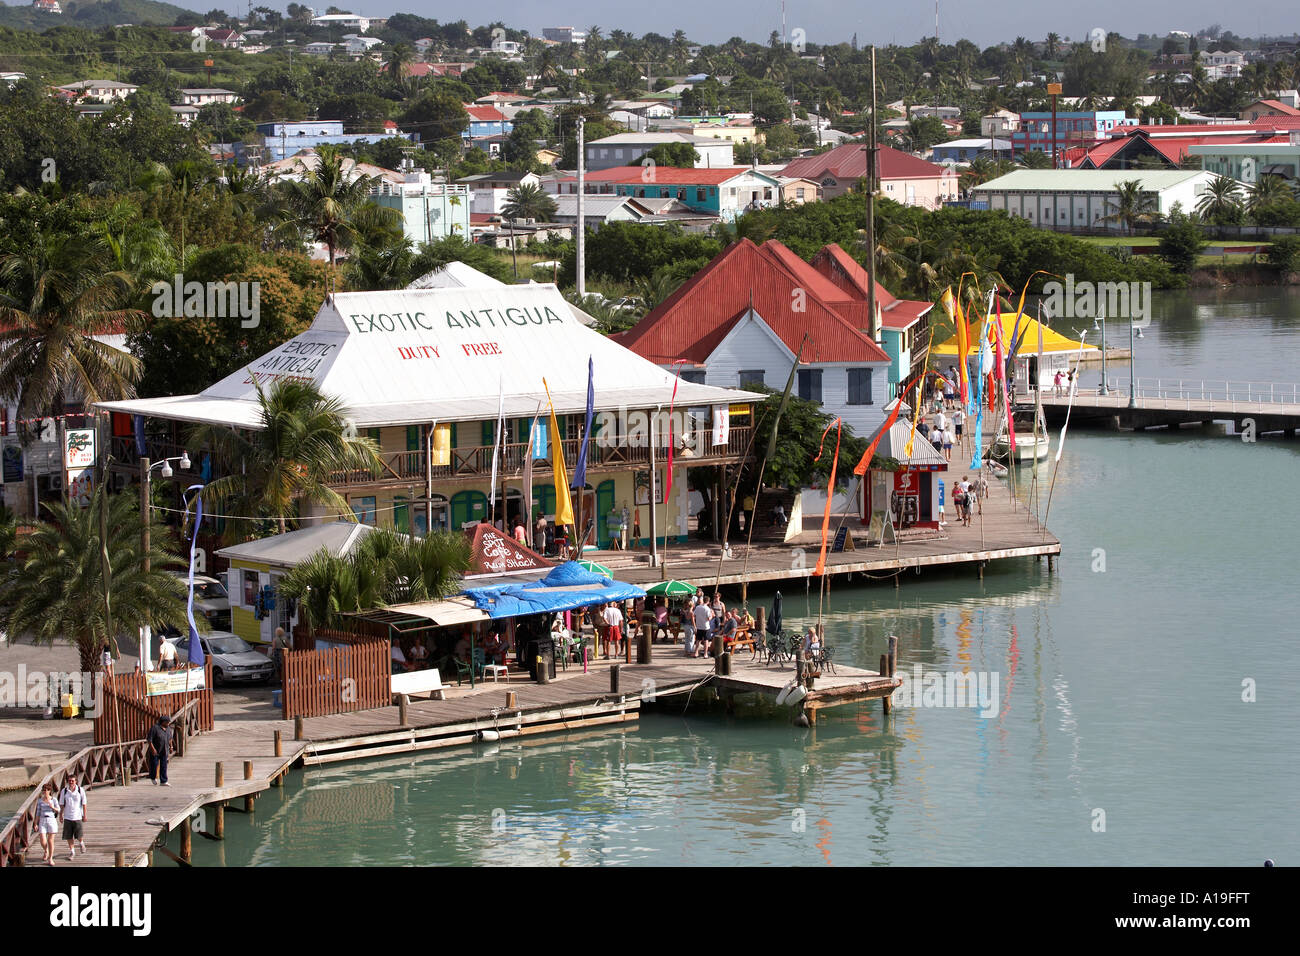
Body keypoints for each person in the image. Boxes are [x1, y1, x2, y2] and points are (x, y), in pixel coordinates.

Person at [58, 774, 87, 860]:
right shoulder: (64, 791)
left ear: (76, 782)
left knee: (79, 835)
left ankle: (81, 843)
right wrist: (60, 815)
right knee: (69, 836)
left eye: (72, 781)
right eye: (69, 781)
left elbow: (84, 803)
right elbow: (62, 804)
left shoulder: (80, 790)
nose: (71, 782)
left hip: (77, 816)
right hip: (67, 816)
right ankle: (72, 852)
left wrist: (84, 815)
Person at [36, 782, 59, 865]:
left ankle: (50, 858)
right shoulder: (40, 801)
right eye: (44, 790)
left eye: (47, 790)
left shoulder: (54, 799)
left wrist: (53, 807)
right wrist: (35, 823)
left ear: (50, 791)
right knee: (42, 840)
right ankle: (46, 850)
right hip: (42, 820)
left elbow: (58, 810)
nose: (45, 791)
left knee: (50, 840)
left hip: (51, 820)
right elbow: (38, 813)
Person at [147, 715, 172, 787]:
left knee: (164, 765)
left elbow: (170, 738)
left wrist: (171, 746)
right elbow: (149, 739)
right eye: (167, 722)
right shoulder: (155, 728)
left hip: (164, 750)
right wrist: (152, 749)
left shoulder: (168, 729)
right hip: (156, 750)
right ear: (163, 722)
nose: (168, 724)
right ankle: (153, 777)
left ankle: (163, 781)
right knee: (154, 764)